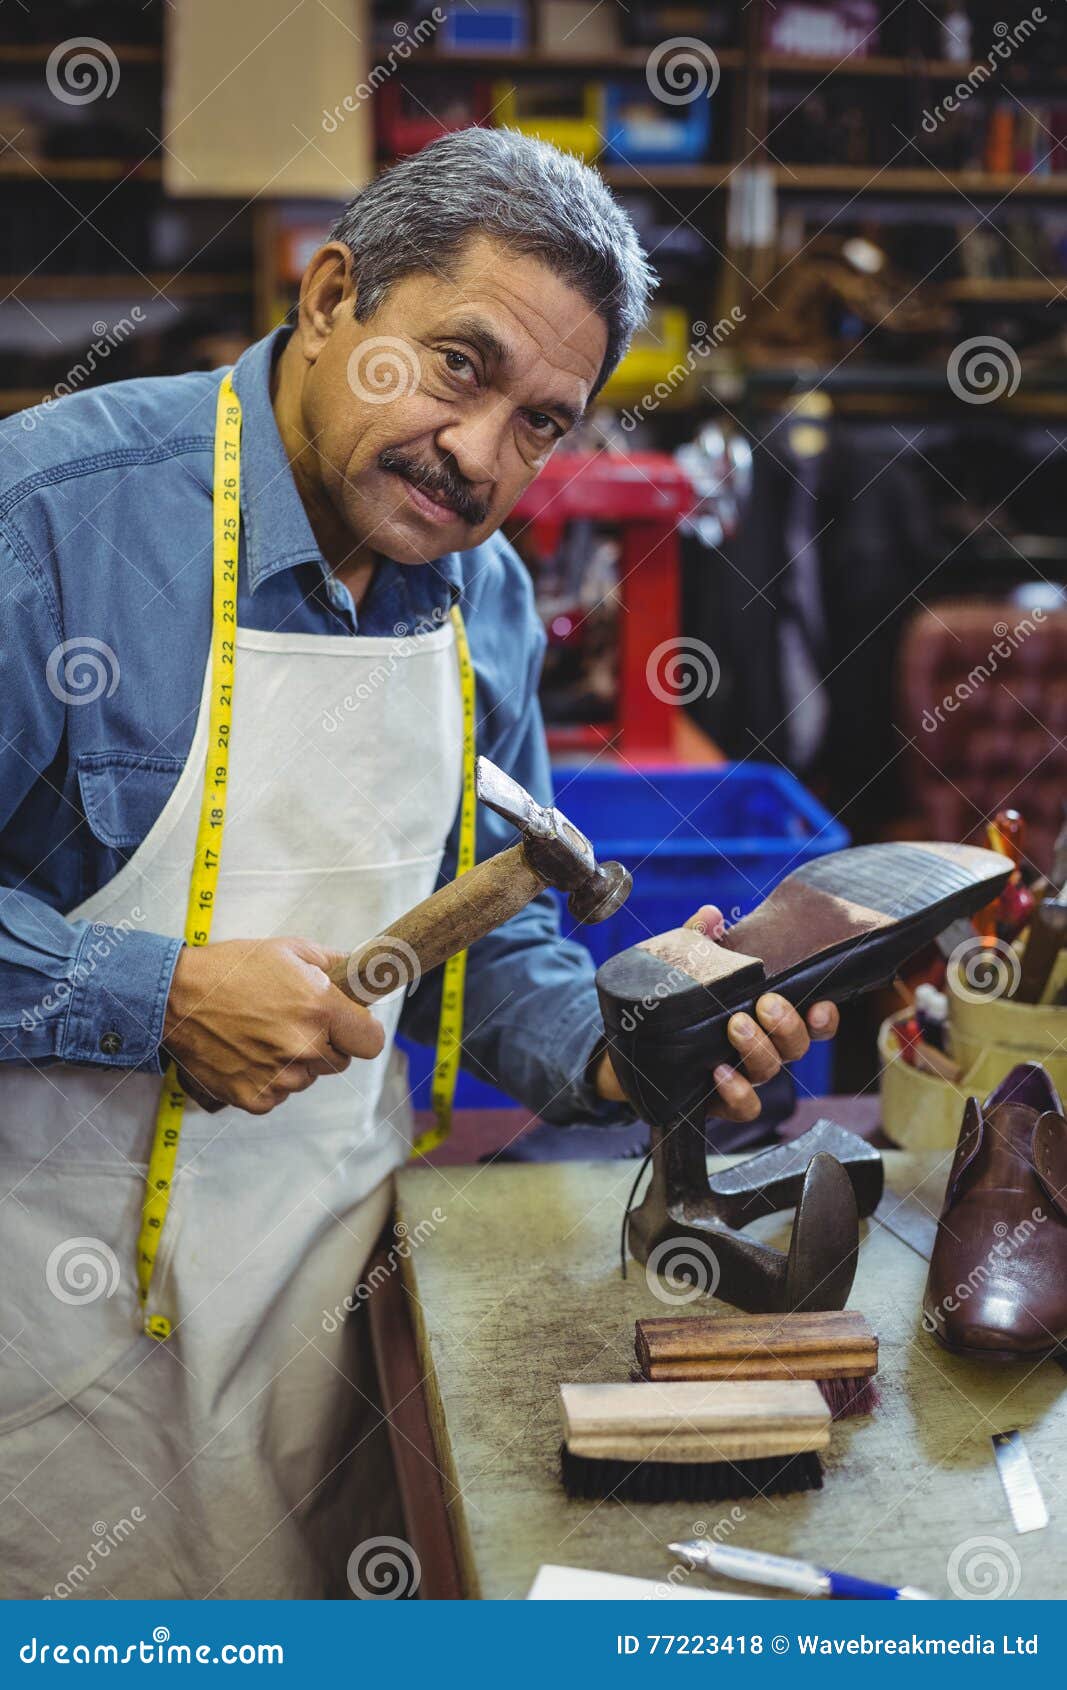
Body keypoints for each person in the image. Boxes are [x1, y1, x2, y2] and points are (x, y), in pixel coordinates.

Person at [0, 128, 838, 1598]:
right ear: (331, 300)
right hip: (49, 1338)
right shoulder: (55, 521)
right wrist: (156, 993)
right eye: (461, 365)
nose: (480, 455)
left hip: (338, 1314)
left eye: (540, 422)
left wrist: (635, 1045)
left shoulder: (485, 603)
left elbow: (495, 937)